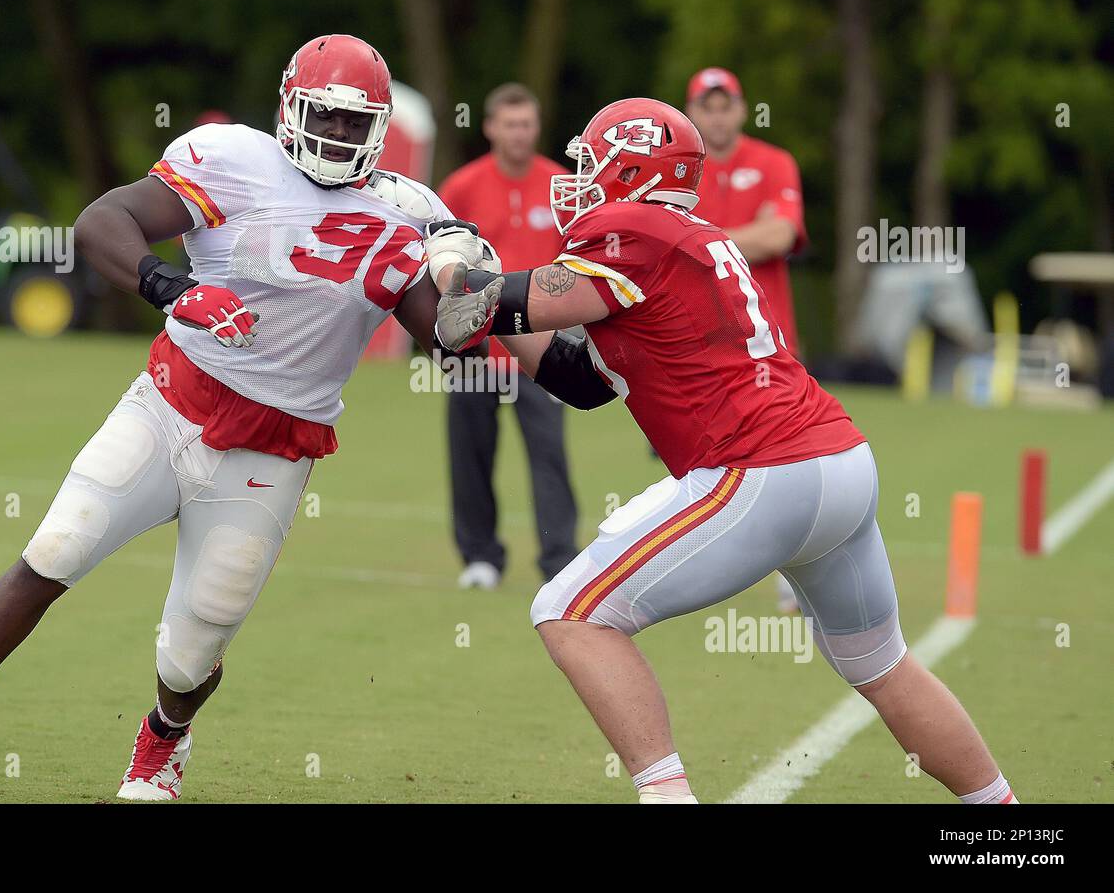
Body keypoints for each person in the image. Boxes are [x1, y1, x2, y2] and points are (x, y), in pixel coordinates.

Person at [0, 34, 466, 801]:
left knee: (191, 649)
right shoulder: (233, 158)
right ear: (290, 106)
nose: (340, 136)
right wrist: (172, 287)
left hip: (272, 448)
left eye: (356, 123)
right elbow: (103, 219)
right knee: (59, 542)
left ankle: (162, 740)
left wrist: (479, 308)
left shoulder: (405, 209)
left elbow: (437, 330)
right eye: (329, 117)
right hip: (172, 405)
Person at [429, 97, 1017, 805]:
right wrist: (482, 290)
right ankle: (1003, 818)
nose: (579, 180)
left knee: (569, 611)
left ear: (632, 170)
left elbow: (483, 307)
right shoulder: (686, 236)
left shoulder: (632, 225)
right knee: (881, 663)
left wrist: (453, 266)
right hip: (839, 463)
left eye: (591, 162)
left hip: (760, 473)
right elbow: (578, 380)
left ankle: (668, 797)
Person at [435, 83, 579, 588]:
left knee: (549, 457)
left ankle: (560, 562)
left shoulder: (562, 186)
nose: (519, 133)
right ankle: (480, 558)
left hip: (543, 349)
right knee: (471, 453)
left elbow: (579, 264)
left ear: (537, 127)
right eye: (509, 123)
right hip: (476, 350)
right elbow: (438, 263)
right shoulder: (461, 187)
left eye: (527, 123)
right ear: (491, 127)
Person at [686, 66, 809, 613]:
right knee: (702, 460)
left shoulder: (773, 162)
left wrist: (703, 240)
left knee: (783, 456)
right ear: (692, 112)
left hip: (766, 341)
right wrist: (743, 237)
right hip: (697, 342)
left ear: (740, 108)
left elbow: (780, 233)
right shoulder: (681, 168)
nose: (716, 114)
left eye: (725, 104)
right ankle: (705, 567)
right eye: (705, 105)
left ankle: (797, 570)